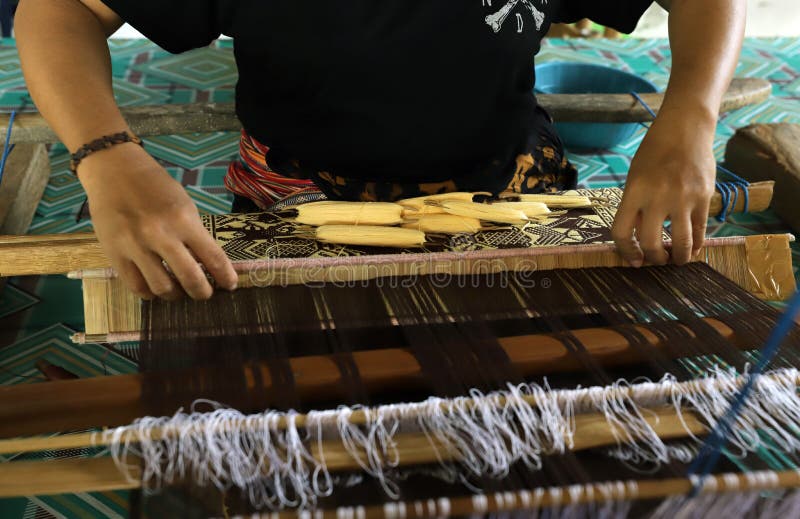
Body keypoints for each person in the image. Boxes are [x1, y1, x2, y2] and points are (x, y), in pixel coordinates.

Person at [15, 0, 746, 300]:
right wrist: (109, 157)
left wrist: (690, 118)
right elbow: (63, 10)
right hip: (298, 200)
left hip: (510, 185)